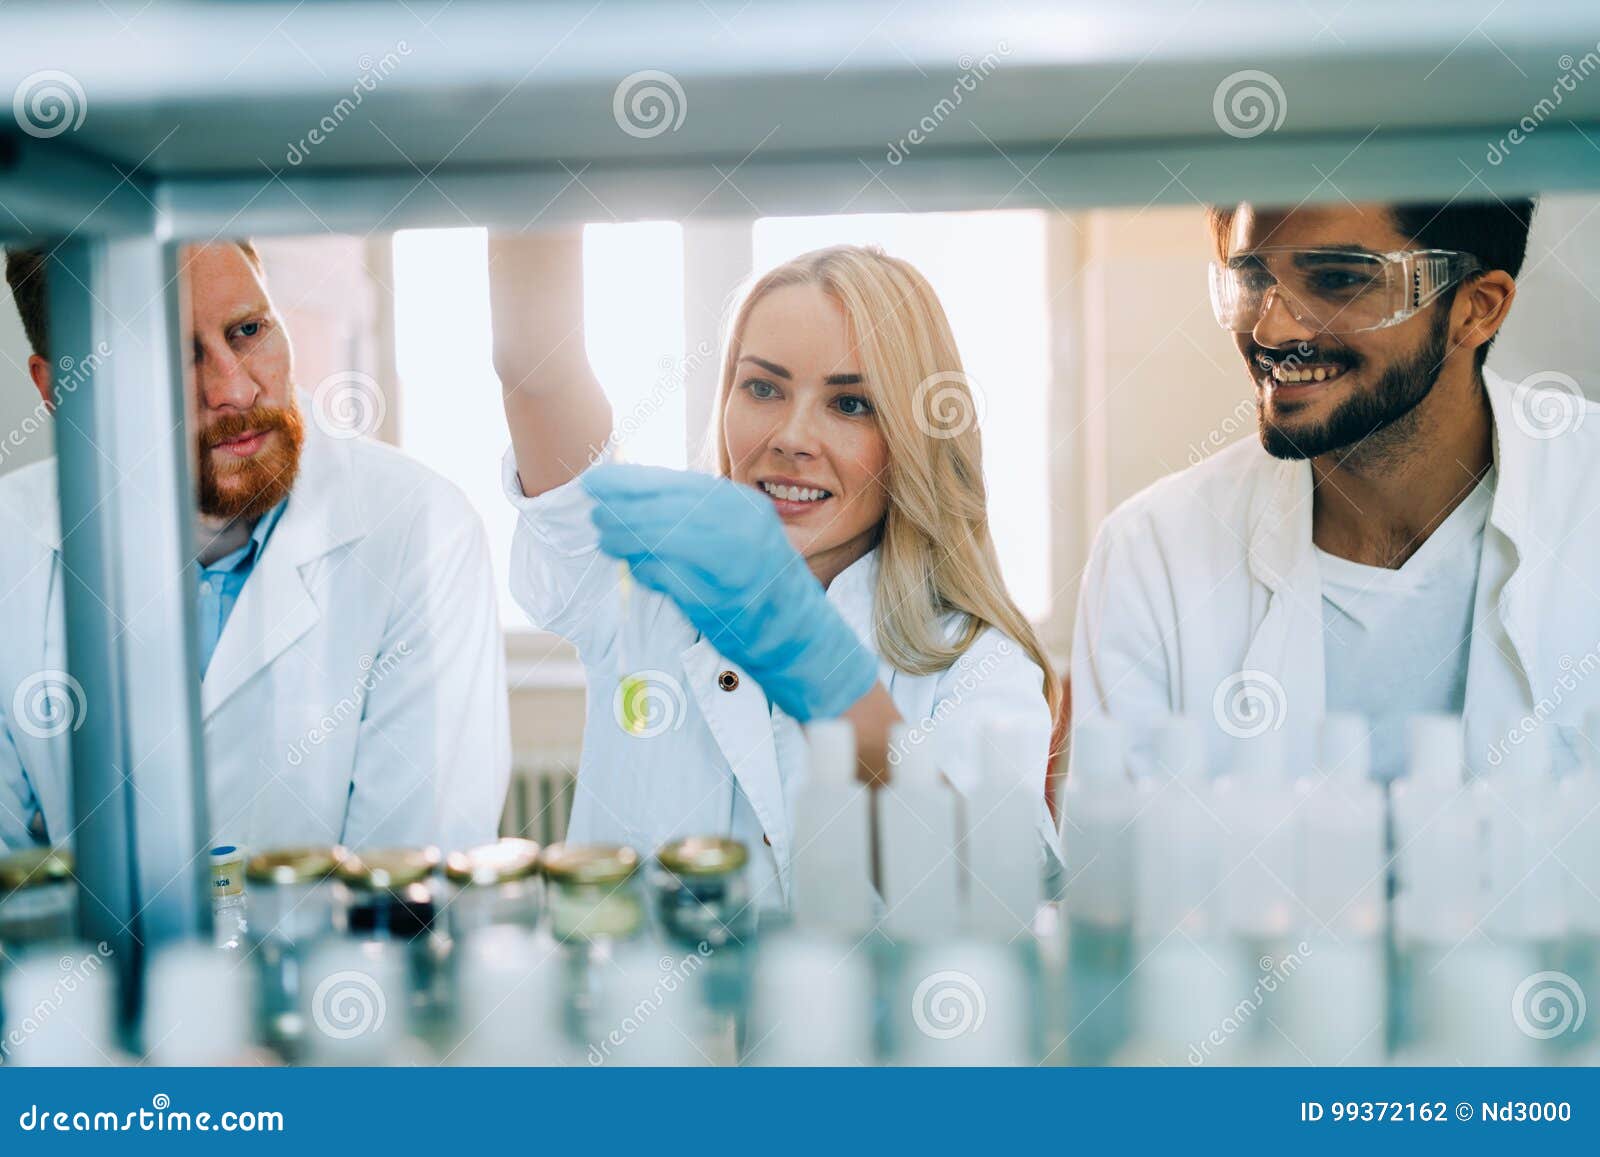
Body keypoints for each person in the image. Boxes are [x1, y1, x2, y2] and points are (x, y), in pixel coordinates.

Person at [493, 235, 1060, 908]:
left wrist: (826, 673)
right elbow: (536, 365)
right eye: (763, 387)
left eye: (850, 403)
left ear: (914, 437)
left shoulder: (978, 666)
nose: (791, 437)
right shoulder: (642, 588)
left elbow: (982, 898)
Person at [0, 241, 510, 852]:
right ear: (62, 390)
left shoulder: (421, 529)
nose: (236, 391)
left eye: (248, 330)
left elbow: (406, 887)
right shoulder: (10, 540)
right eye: (176, 356)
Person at [1069, 197, 1600, 781]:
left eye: (1339, 280)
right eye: (1253, 280)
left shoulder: (1585, 494)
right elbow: (1122, 863)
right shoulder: (1152, 551)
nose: (1272, 328)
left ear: (1477, 309)